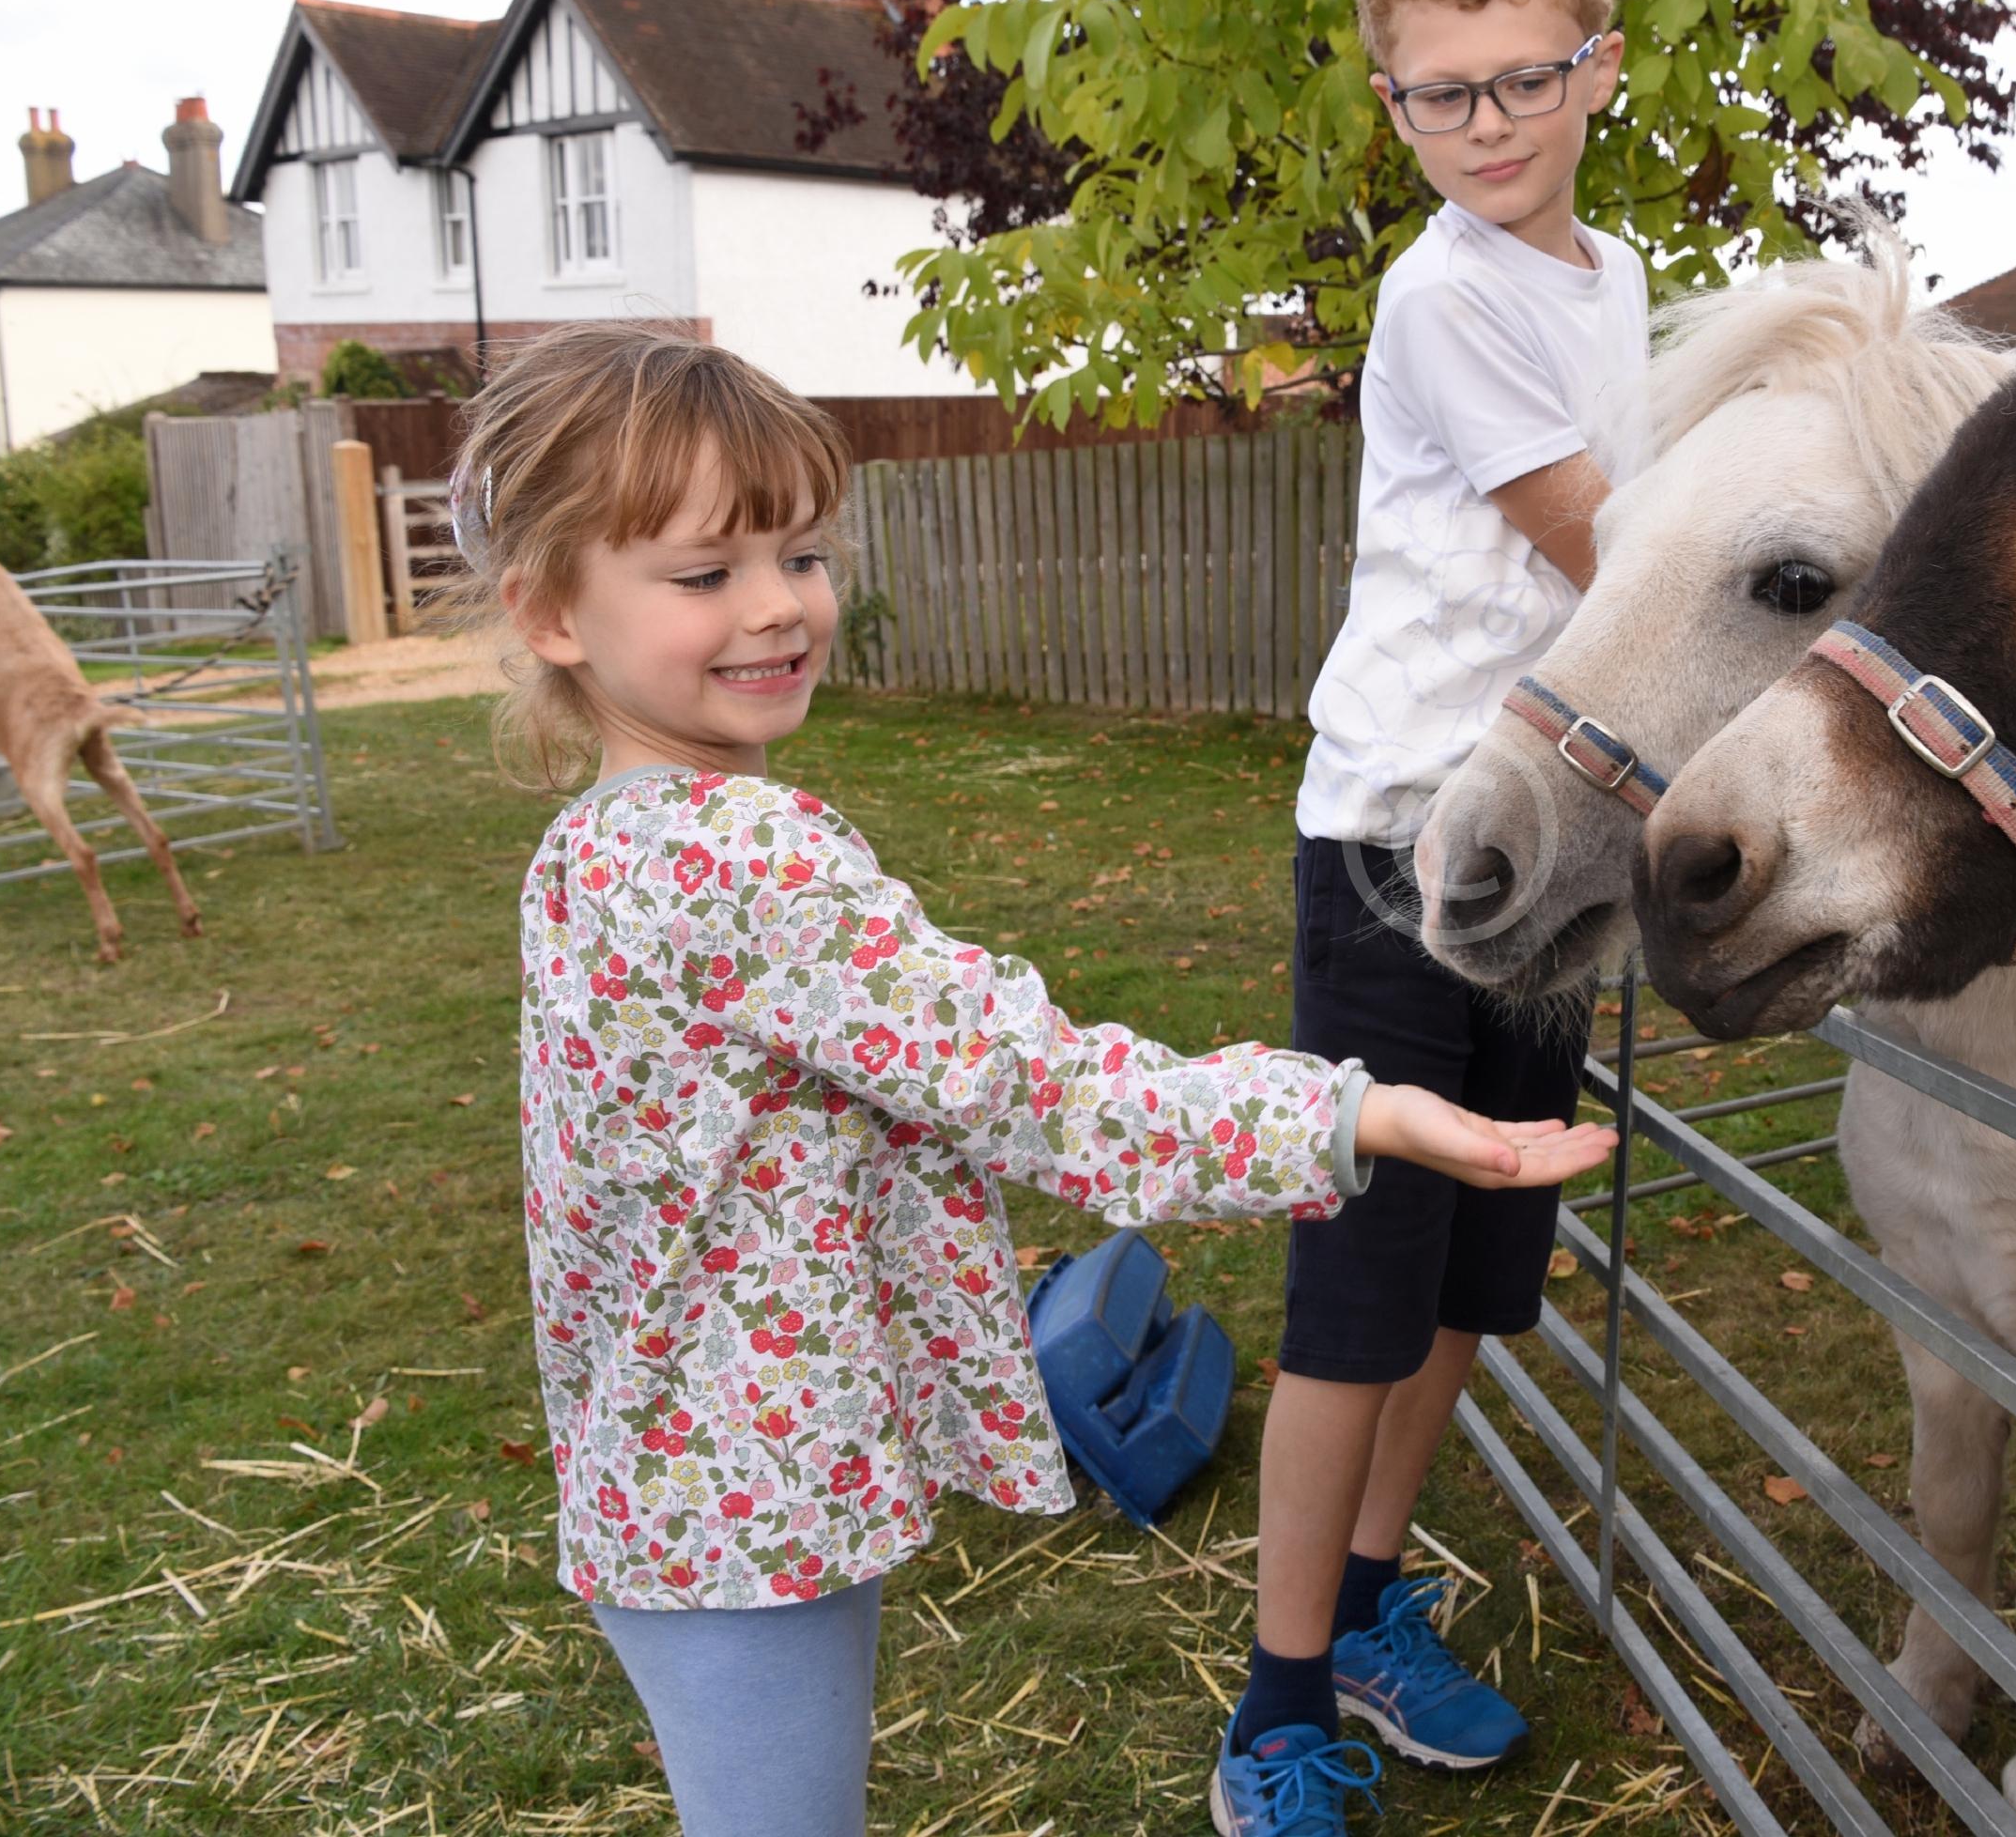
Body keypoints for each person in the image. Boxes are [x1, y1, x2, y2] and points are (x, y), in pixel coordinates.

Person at [445, 320, 1618, 1837]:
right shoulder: (741, 859)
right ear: (551, 611)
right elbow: (1037, 1091)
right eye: (705, 573)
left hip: (666, 1468)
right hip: (742, 1510)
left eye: (801, 555)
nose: (778, 605)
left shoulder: (592, 844)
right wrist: (1352, 1112)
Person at [1223, 0, 1649, 1832]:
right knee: (1359, 1304)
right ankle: (1276, 1705)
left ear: (1599, 67)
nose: (1485, 125)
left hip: (1539, 852)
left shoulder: (1610, 281)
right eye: (1439, 93)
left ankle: (1372, 1605)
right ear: (1391, 99)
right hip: (1404, 846)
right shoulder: (1447, 293)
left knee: (1477, 1282)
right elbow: (1617, 557)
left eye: (1522, 79)